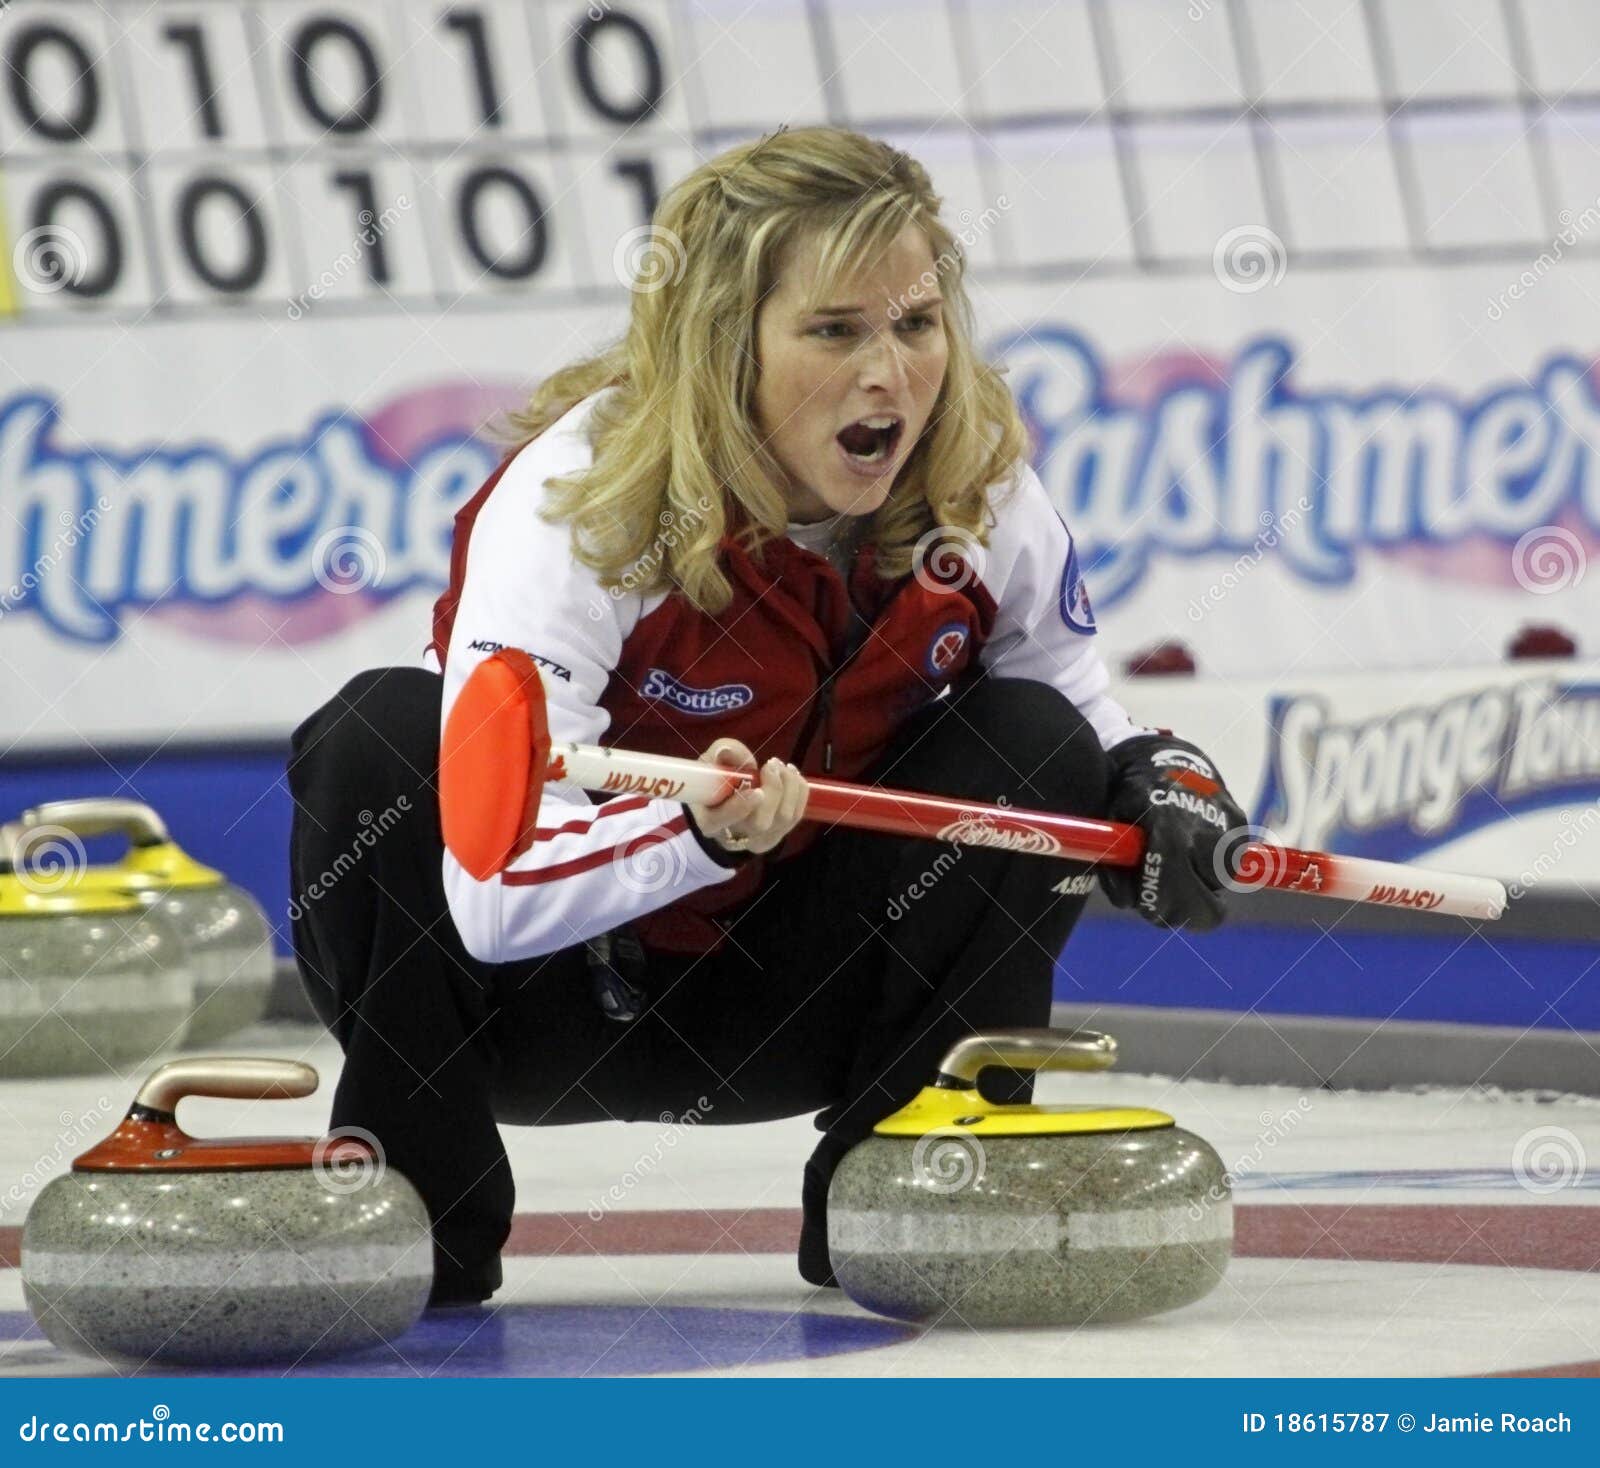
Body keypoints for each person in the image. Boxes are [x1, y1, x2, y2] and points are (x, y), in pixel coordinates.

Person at [288, 126, 1247, 1308]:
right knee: (380, 736)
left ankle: (906, 1203)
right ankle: (414, 1225)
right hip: (535, 999)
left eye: (915, 323)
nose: (889, 374)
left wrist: (1161, 782)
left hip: (779, 1000)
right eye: (834, 330)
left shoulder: (976, 487)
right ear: (724, 344)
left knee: (1032, 742)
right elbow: (491, 898)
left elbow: (1081, 712)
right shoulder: (578, 501)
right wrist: (691, 835)